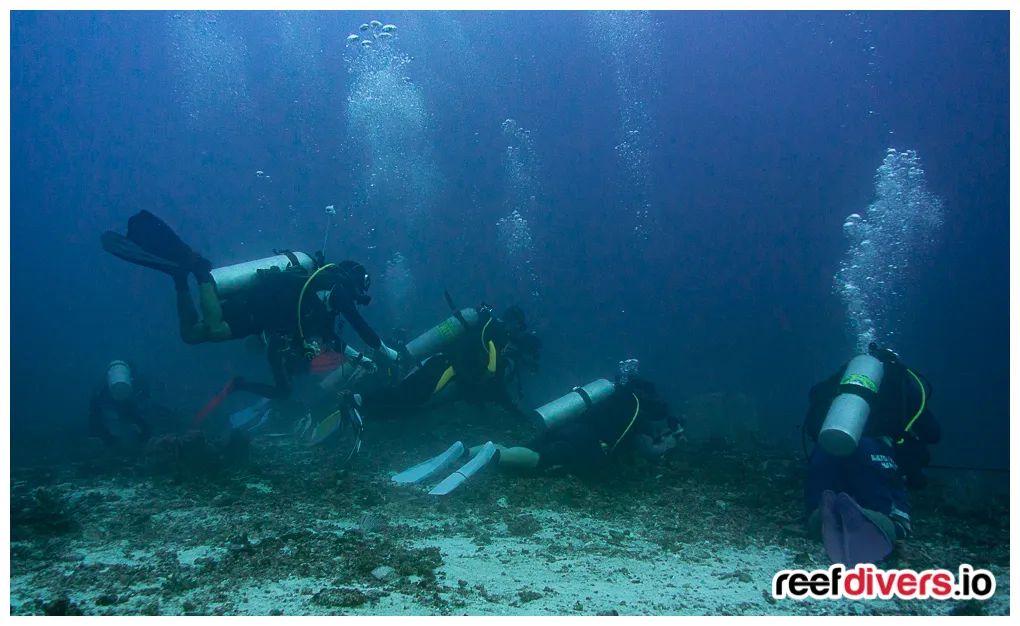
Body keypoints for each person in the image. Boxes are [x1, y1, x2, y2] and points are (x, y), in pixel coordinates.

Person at [101, 210, 400, 403]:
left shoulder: (325, 295)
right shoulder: (337, 288)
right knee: (215, 330)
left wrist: (362, 360)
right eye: (361, 289)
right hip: (257, 311)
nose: (359, 297)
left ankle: (179, 277)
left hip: (260, 314)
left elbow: (331, 339)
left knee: (191, 335)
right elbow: (358, 324)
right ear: (355, 281)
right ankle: (200, 269)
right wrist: (385, 351)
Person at [391, 359, 685, 495]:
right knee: (539, 463)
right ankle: (492, 454)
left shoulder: (608, 397)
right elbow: (649, 450)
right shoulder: (636, 411)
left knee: (528, 451)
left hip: (563, 425)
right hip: (583, 444)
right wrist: (670, 443)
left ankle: (467, 450)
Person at [802, 343, 941, 567]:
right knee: (885, 502)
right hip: (874, 450)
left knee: (825, 480)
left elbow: (812, 418)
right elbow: (933, 433)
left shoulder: (842, 379)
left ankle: (819, 512)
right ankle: (887, 520)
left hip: (828, 448)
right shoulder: (901, 379)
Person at [357, 302, 541, 419]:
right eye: (520, 326)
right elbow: (493, 371)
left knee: (411, 399)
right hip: (444, 367)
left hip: (444, 366)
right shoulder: (497, 334)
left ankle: (365, 409)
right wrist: (519, 415)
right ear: (515, 323)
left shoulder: (490, 329)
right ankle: (359, 401)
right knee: (408, 394)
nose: (518, 331)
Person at [88, 360, 170, 446]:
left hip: (111, 402)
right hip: (125, 403)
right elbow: (145, 395)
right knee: (135, 417)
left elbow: (94, 405)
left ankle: (108, 440)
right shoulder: (136, 380)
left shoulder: (103, 384)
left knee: (97, 418)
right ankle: (146, 436)